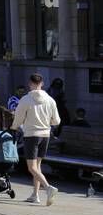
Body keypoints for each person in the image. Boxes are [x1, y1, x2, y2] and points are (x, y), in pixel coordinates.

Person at [11, 73, 62, 205]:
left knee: (31, 167)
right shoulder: (50, 100)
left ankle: (48, 188)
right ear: (42, 84)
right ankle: (35, 195)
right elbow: (56, 120)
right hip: (45, 135)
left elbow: (18, 117)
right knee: (37, 166)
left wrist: (14, 126)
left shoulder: (26, 99)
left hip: (32, 135)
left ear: (30, 84)